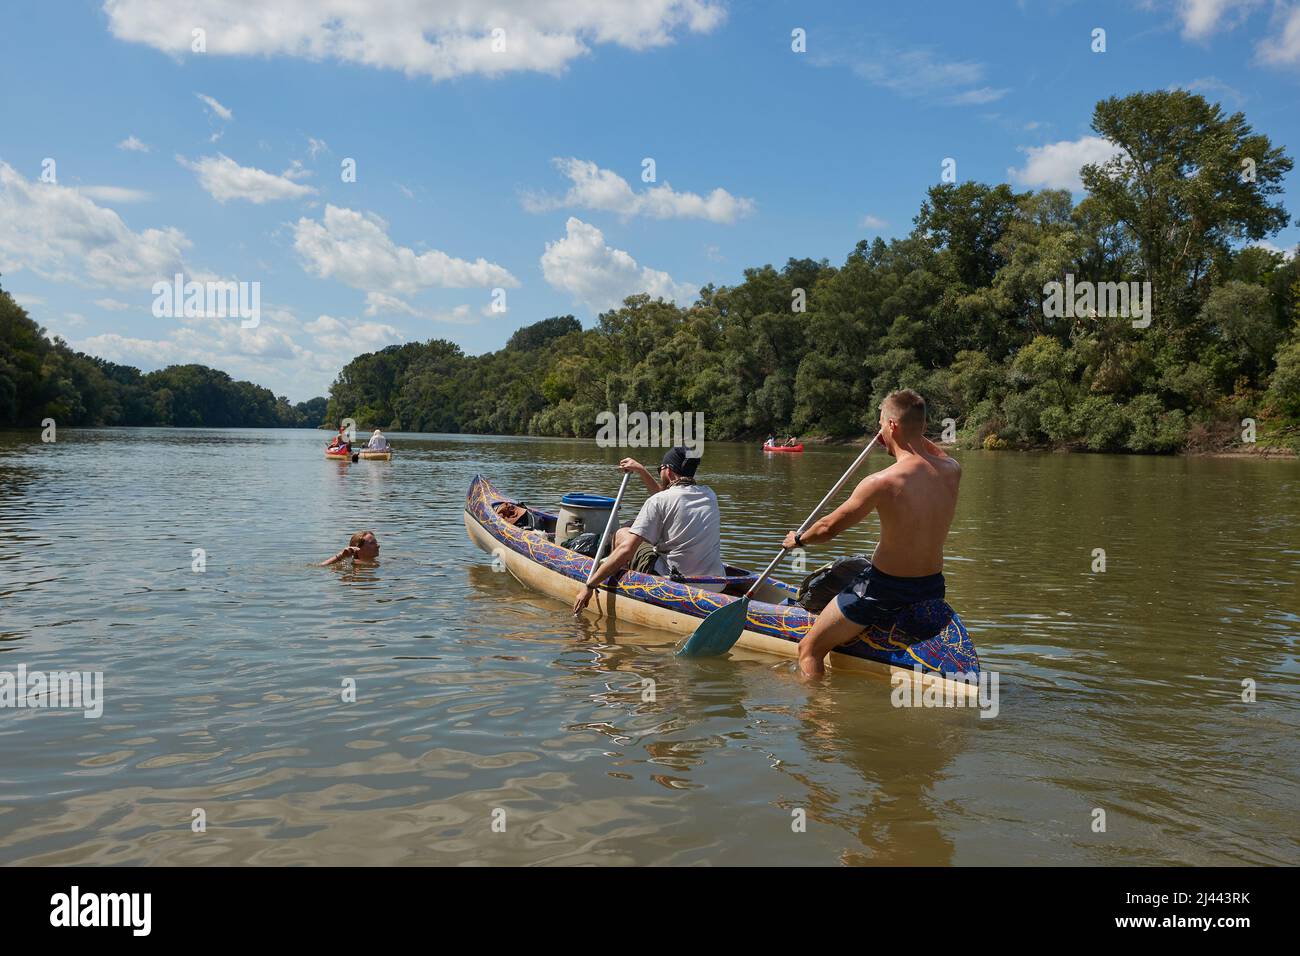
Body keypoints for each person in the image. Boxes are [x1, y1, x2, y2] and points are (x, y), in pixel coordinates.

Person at [783, 389, 959, 678]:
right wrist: (908, 432)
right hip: (932, 587)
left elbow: (828, 528)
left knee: (809, 650)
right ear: (923, 427)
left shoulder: (882, 481)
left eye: (881, 424)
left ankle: (819, 720)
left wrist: (798, 540)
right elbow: (931, 450)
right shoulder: (952, 470)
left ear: (891, 426)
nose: (879, 431)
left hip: (883, 590)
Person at [572, 446, 725, 613]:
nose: (660, 472)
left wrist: (590, 585)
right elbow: (668, 497)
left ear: (668, 471)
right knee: (636, 528)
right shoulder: (710, 495)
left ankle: (620, 582)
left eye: (660, 468)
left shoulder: (659, 501)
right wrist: (641, 471)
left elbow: (627, 549)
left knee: (623, 534)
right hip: (716, 583)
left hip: (676, 583)